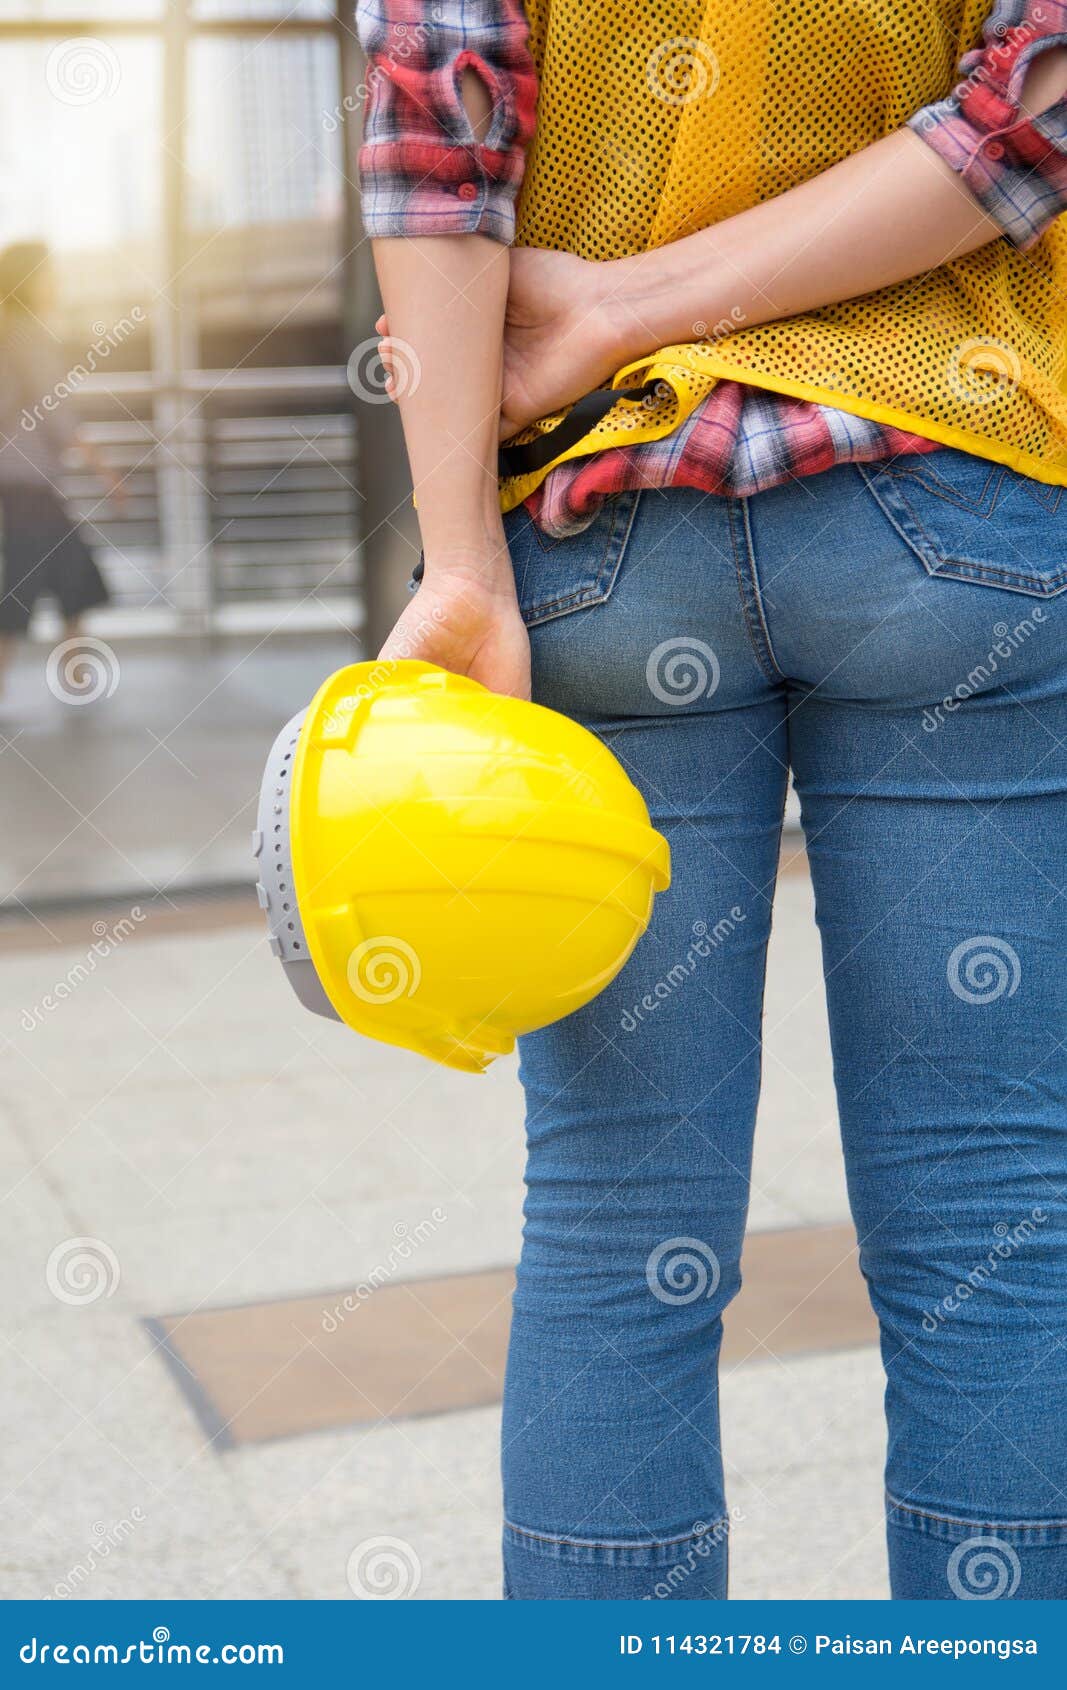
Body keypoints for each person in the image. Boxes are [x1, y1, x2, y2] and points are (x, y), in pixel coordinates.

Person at [355, 0, 1067, 1600]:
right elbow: (1029, 111)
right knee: (993, 1204)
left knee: (616, 1222)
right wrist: (646, 305)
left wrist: (465, 558)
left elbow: (435, 139)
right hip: (947, 469)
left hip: (604, 522)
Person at [0, 241, 123, 695]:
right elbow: (57, 414)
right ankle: (75, 675)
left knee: (69, 570)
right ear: (30, 280)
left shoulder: (8, 327)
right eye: (49, 273)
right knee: (25, 584)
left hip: (20, 482)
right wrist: (106, 472)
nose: (55, 281)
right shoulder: (27, 333)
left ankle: (78, 674)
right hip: (28, 481)